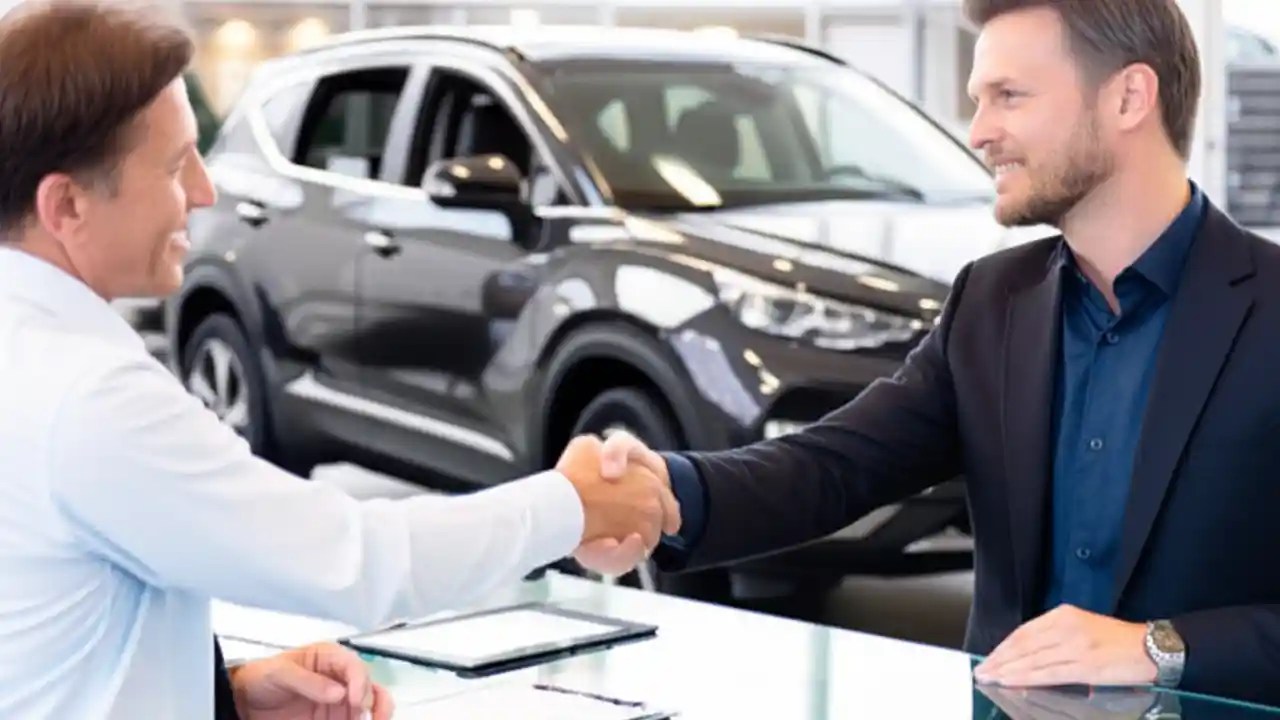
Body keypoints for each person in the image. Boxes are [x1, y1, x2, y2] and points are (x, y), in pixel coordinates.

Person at [577, 0, 1280, 707]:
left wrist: (1159, 647)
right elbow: (839, 464)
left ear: (1129, 97)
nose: (980, 132)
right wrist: (663, 495)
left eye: (1010, 97)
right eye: (979, 101)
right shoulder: (994, 300)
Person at [0, 2, 678, 718]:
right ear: (66, 206)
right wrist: (571, 503)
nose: (205, 190)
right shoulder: (89, 400)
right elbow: (361, 561)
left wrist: (224, 694)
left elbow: (55, 628)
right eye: (175, 167)